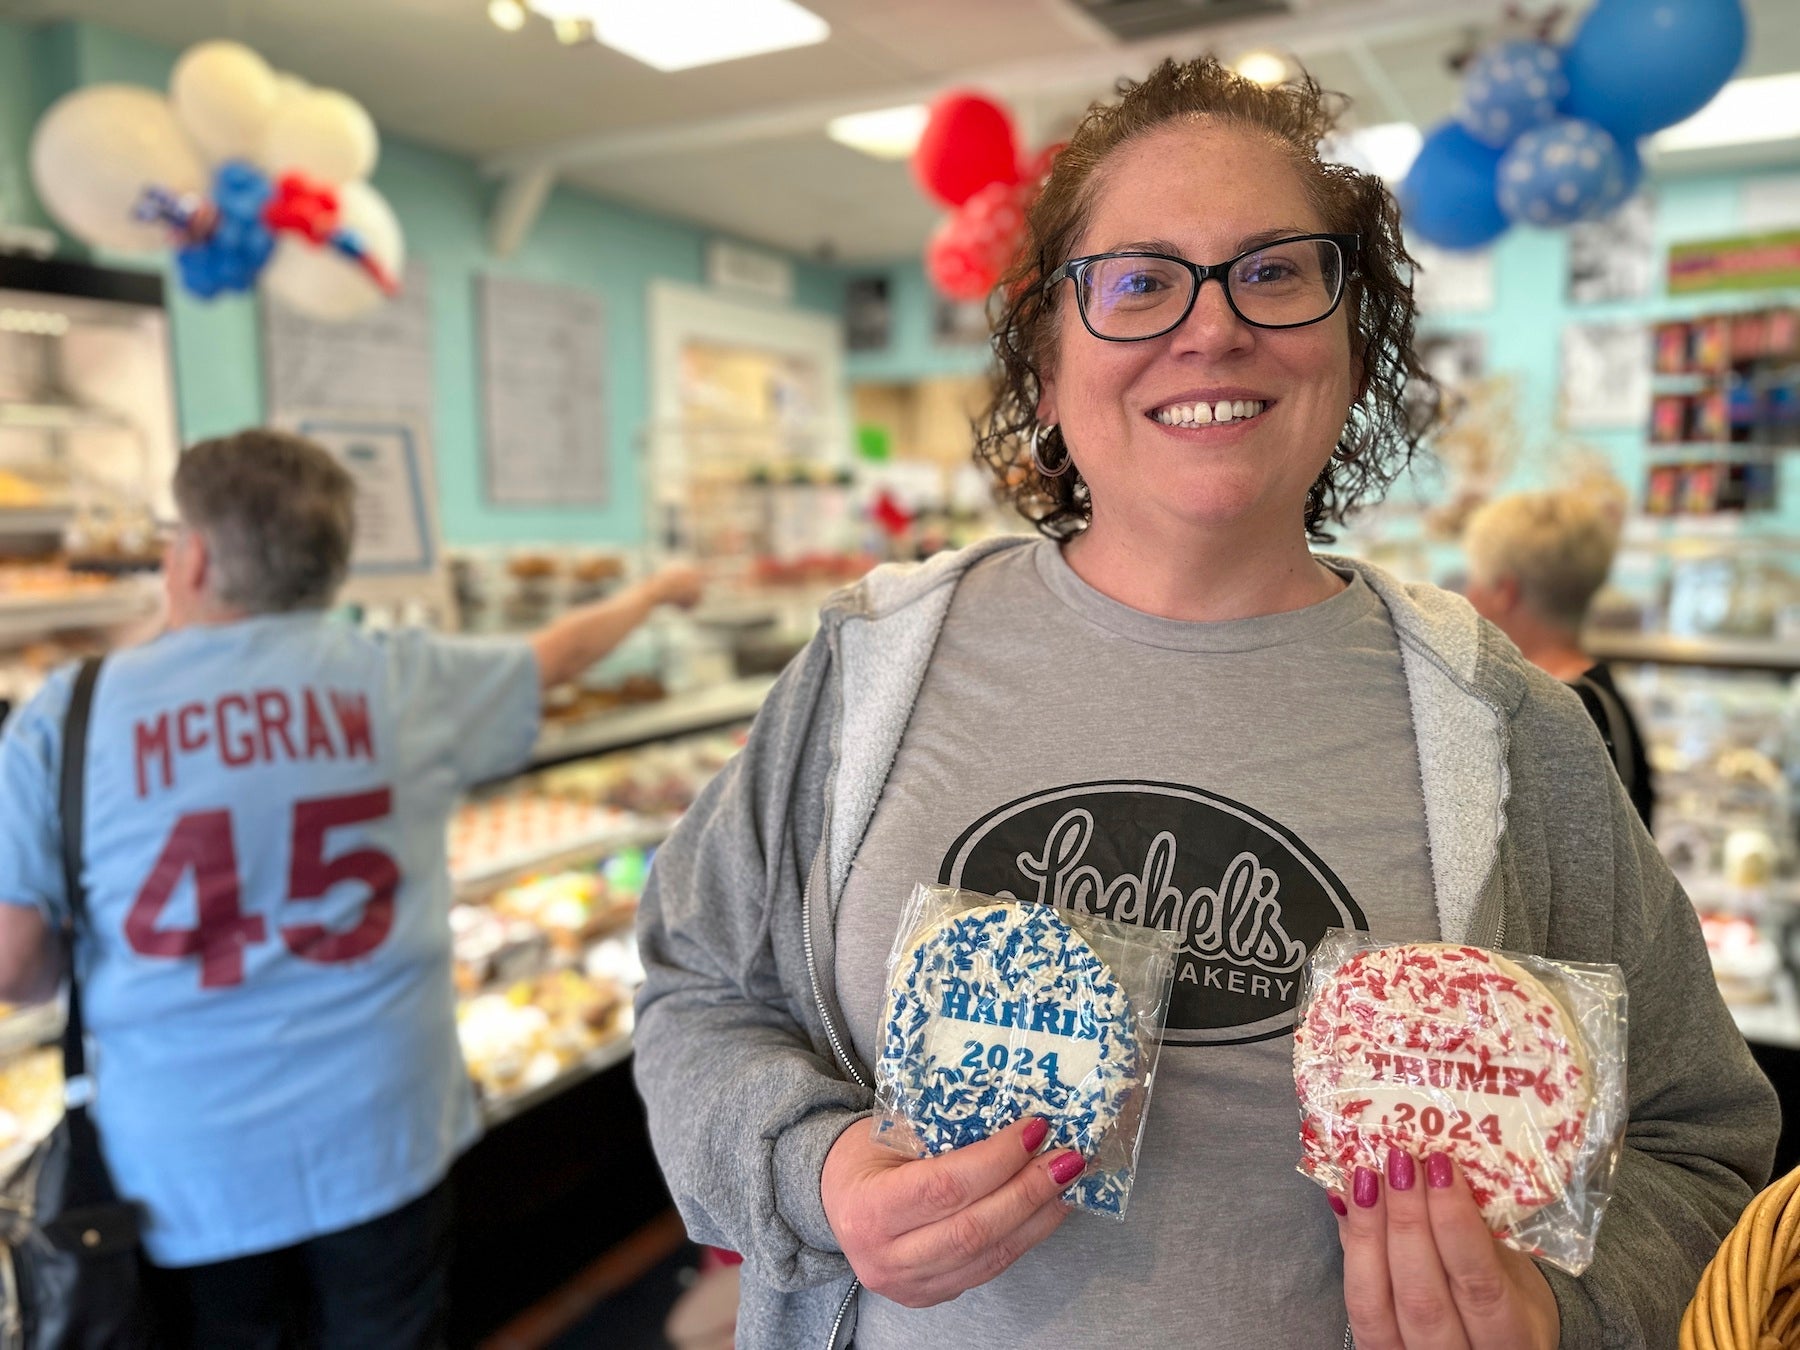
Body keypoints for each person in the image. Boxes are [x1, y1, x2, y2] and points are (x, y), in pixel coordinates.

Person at [632, 56, 1776, 1350]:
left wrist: (1564, 1313)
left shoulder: (1503, 724)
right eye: (1137, 280)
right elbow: (700, 991)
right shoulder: (869, 665)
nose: (1211, 326)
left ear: (1357, 344)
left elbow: (1703, 1138)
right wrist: (815, 1172)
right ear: (1047, 359)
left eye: (1275, 270)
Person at [0, 428, 702, 1348]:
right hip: (384, 1124)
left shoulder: (71, 710)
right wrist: (652, 592)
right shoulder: (400, 676)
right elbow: (556, 657)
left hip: (184, 1159)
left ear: (197, 555)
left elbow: (16, 965)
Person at [1464, 488, 1656, 830]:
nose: (1469, 597)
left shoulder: (1548, 715)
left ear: (1504, 593)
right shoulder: (1600, 698)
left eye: (1476, 580)